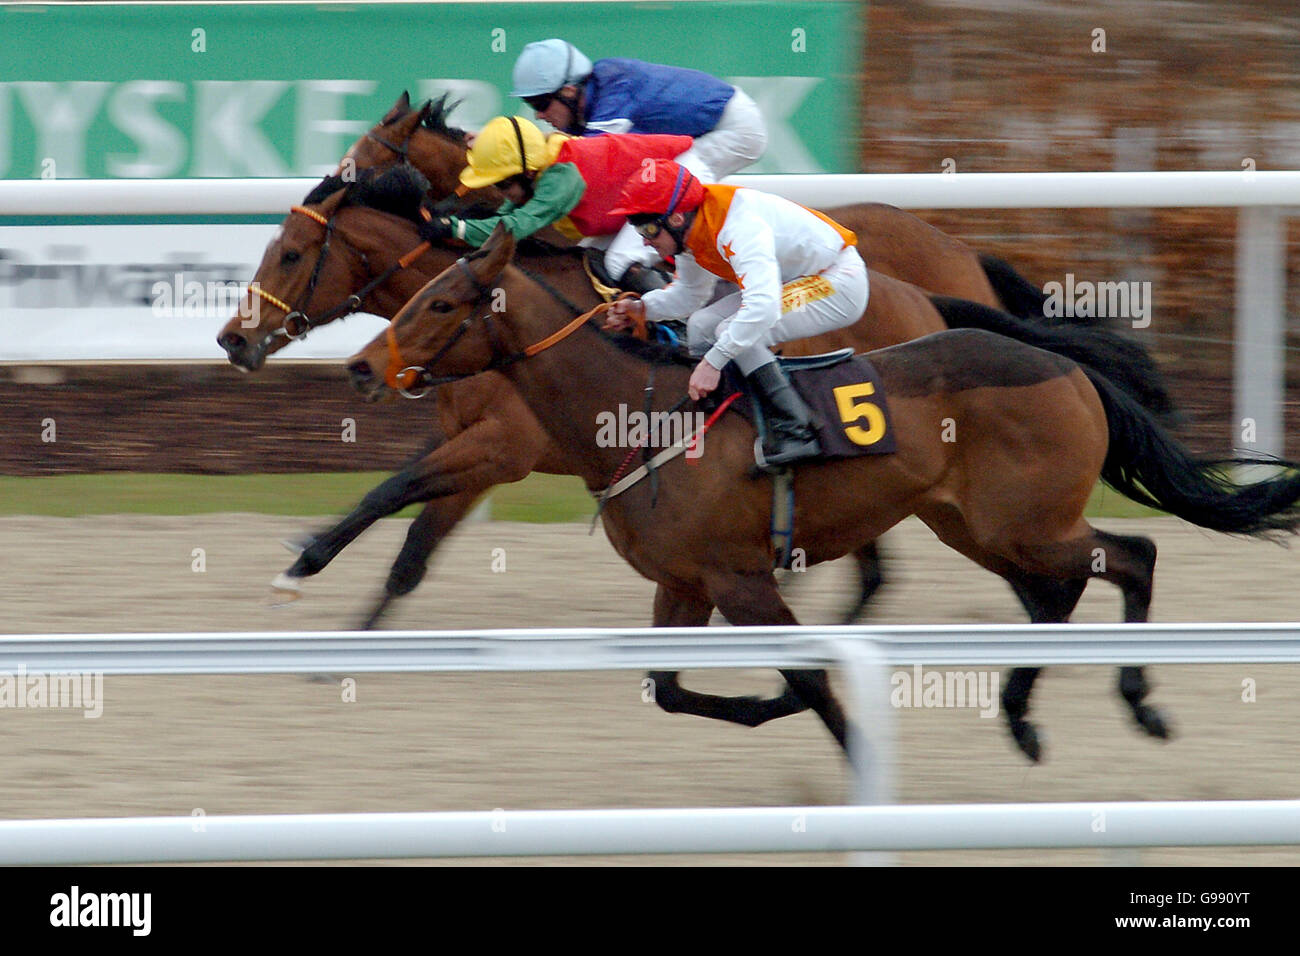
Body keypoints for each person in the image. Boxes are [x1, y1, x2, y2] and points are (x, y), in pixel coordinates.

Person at [606, 160, 869, 467]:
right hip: (795, 280)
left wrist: (712, 362)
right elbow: (690, 296)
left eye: (648, 228)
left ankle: (799, 430)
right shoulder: (694, 230)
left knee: (731, 331)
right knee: (701, 324)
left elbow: (763, 308)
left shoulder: (736, 227)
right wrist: (642, 309)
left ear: (676, 218)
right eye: (637, 229)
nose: (644, 240)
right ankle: (723, 414)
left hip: (837, 281)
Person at [418, 115, 707, 290]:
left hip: (676, 176)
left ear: (528, 172)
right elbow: (509, 213)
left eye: (503, 183)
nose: (501, 192)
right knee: (587, 266)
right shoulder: (540, 166)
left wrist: (454, 228)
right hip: (645, 196)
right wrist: (454, 222)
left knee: (618, 262)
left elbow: (515, 227)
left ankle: (676, 328)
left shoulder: (560, 177)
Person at [510, 39, 767, 181]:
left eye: (541, 104)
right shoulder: (591, 92)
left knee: (661, 188)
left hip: (735, 129)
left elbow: (585, 158)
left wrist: (510, 155)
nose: (539, 115)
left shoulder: (615, 87)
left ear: (568, 91)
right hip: (714, 124)